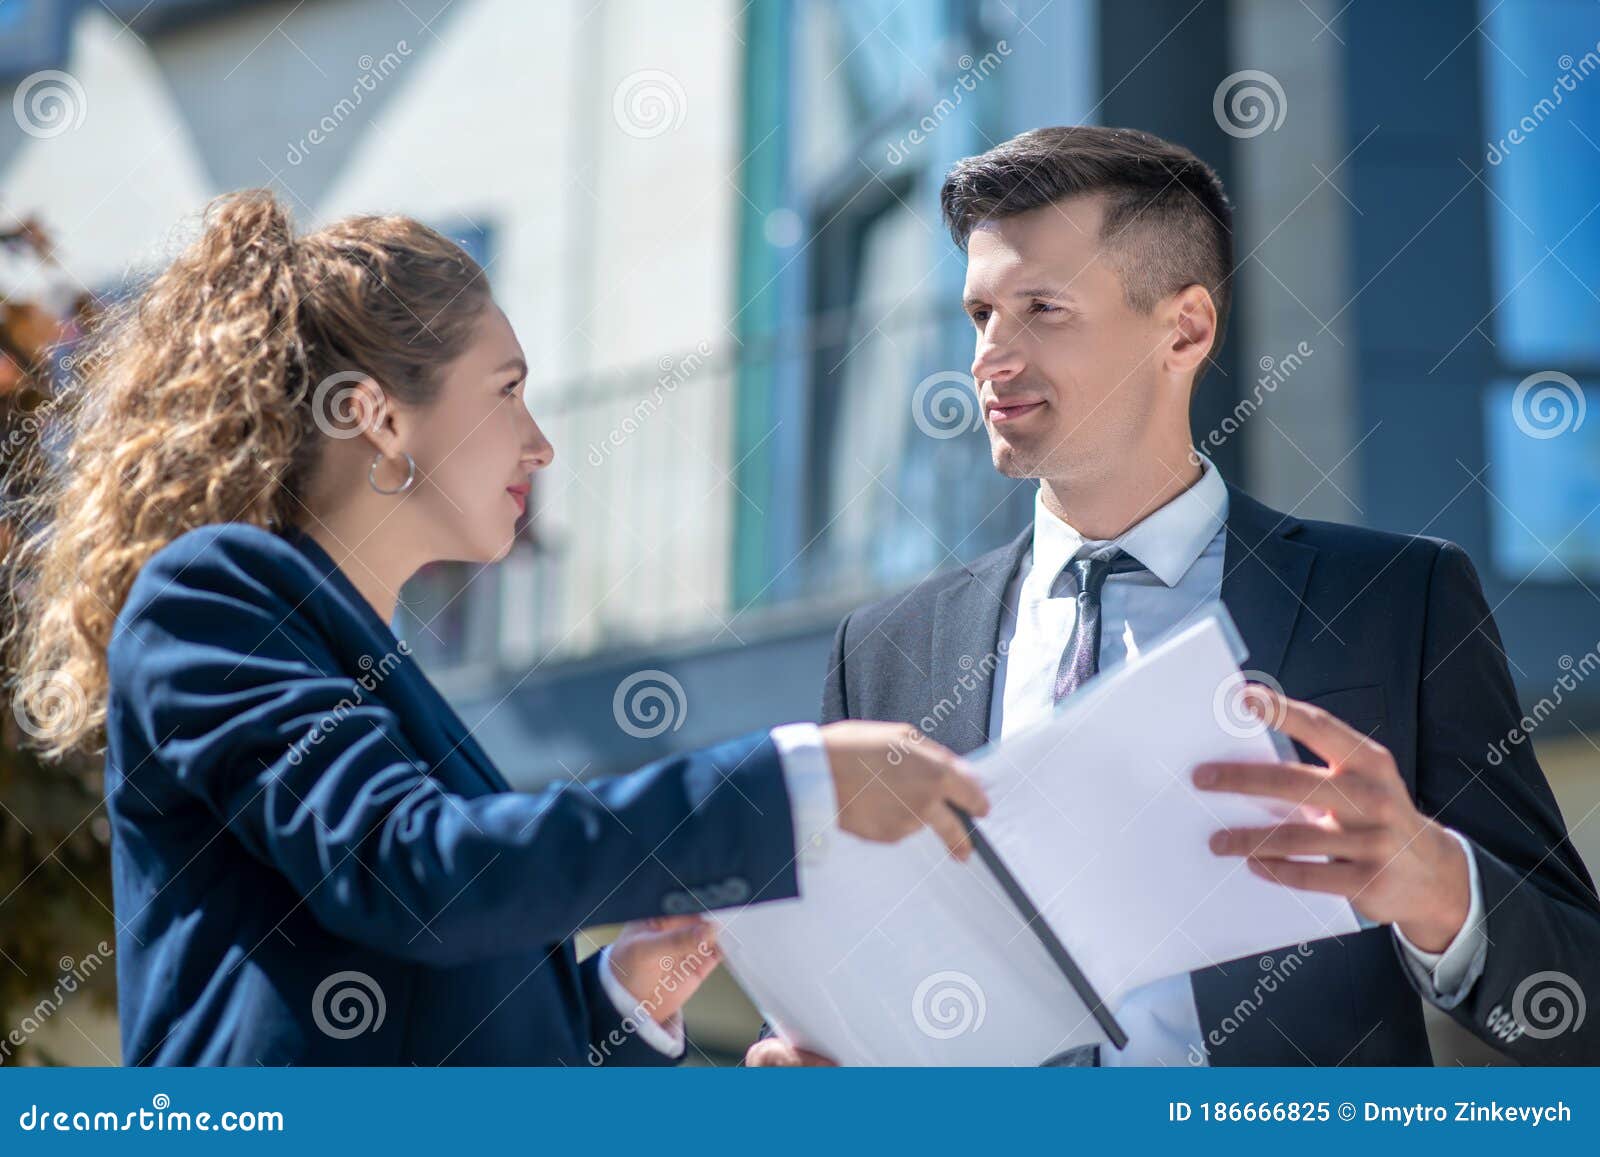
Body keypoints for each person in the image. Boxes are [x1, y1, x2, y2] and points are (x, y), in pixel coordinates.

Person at [3, 189, 988, 1066]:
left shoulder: (384, 683)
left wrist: (622, 1009)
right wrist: (794, 781)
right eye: (507, 389)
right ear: (379, 419)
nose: (542, 441)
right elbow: (418, 869)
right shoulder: (211, 592)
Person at [748, 126, 1600, 1066]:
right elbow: (830, 980)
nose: (990, 355)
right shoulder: (883, 652)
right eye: (981, 313)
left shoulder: (1395, 604)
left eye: (1042, 308)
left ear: (1185, 329)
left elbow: (1581, 1011)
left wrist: (1443, 891)